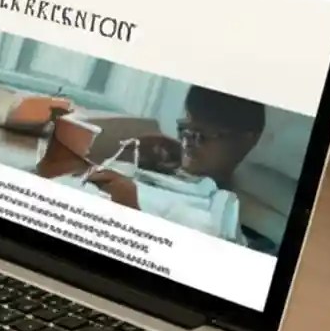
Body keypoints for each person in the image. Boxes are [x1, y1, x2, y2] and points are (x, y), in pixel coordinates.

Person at [88, 86, 265, 233]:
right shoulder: (160, 162)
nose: (187, 142)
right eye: (185, 129)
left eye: (202, 135)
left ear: (246, 141)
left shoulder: (219, 208)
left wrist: (132, 209)